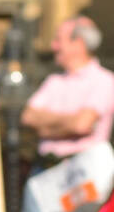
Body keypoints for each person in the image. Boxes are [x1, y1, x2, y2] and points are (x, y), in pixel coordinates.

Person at [21, 17, 114, 167]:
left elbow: (81, 125)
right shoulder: (54, 81)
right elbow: (28, 117)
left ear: (79, 44)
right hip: (46, 169)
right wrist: (70, 121)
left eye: (58, 40)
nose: (53, 46)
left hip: (84, 172)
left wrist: (43, 129)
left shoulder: (104, 80)